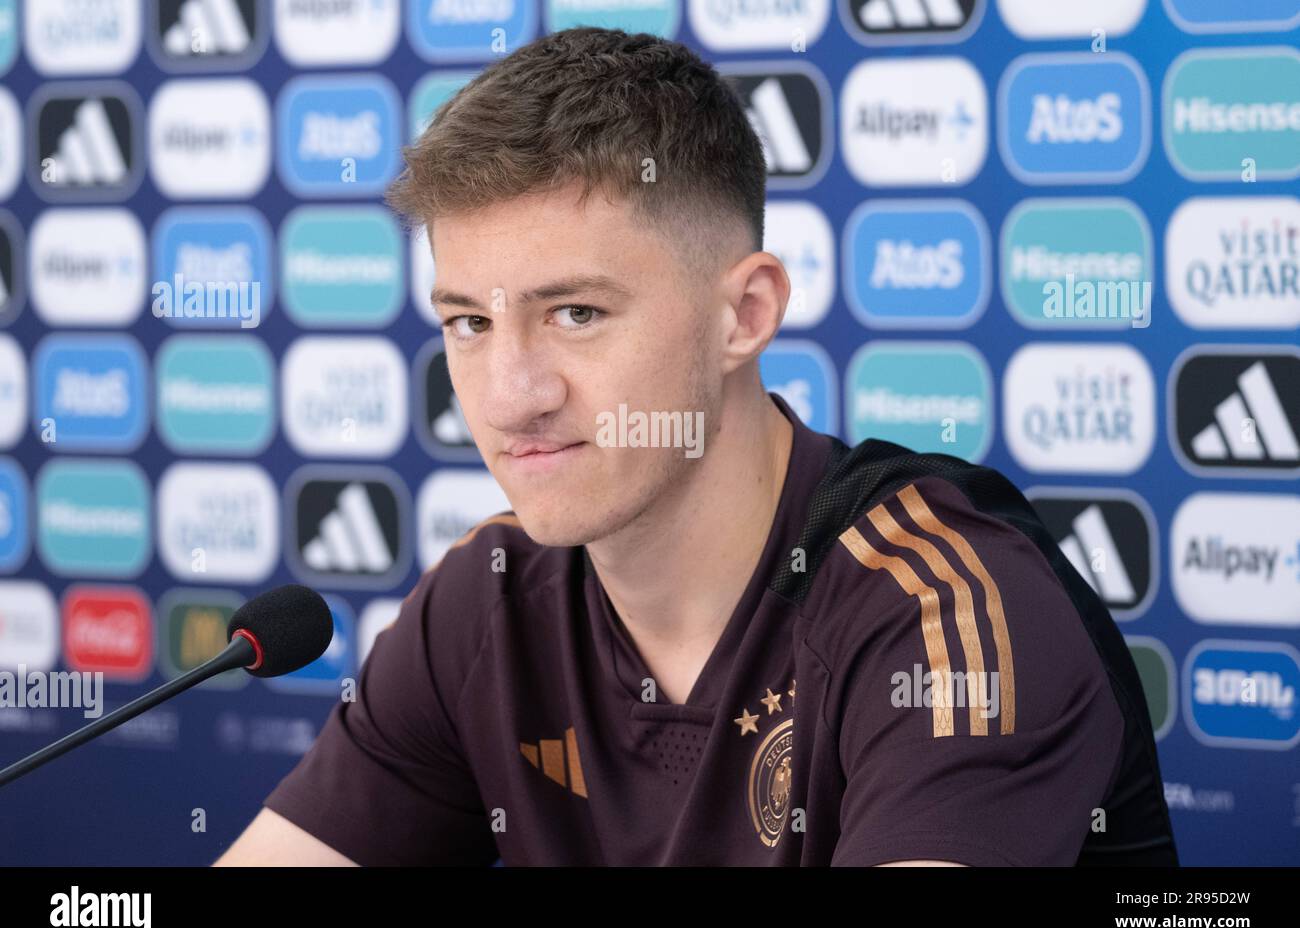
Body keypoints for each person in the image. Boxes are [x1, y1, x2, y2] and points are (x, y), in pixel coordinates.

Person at [215, 27, 1177, 866]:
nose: (511, 397)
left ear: (743, 315)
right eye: (469, 323)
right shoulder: (488, 602)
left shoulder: (945, 608)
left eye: (578, 313)